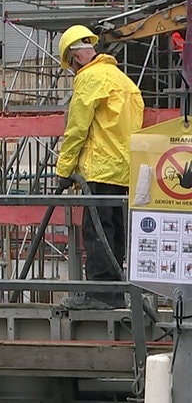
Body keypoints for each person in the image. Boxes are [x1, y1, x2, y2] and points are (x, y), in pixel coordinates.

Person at [55, 25, 144, 310]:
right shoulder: (123, 80)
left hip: (100, 168)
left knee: (96, 234)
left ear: (76, 58)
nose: (72, 72)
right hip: (125, 170)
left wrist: (64, 169)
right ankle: (115, 293)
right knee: (115, 233)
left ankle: (100, 296)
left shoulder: (90, 79)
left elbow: (77, 128)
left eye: (70, 66)